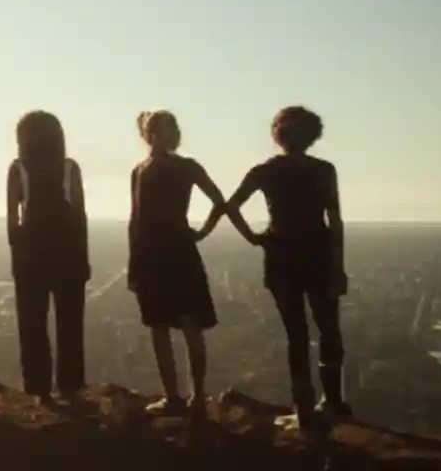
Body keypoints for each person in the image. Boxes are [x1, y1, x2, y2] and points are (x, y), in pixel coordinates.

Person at [222, 106, 349, 430]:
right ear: (312, 134)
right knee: (328, 329)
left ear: (277, 134)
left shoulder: (266, 170)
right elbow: (334, 221)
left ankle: (304, 411)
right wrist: (338, 266)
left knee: (297, 335)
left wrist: (254, 237)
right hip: (319, 255)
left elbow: (231, 206)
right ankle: (332, 402)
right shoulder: (324, 170)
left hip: (281, 256)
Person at [128, 110, 247, 415]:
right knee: (165, 324)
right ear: (151, 134)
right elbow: (135, 218)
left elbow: (219, 201)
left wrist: (203, 232)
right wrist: (201, 233)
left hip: (165, 250)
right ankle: (180, 397)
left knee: (180, 324)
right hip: (161, 250)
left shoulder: (158, 169)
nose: (169, 135)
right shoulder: (148, 170)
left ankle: (191, 397)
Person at [7, 111, 89, 406]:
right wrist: (84, 256)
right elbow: (80, 216)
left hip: (30, 253)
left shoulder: (18, 168)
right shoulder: (69, 168)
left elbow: (12, 220)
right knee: (70, 321)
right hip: (68, 252)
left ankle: (39, 387)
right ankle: (70, 385)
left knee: (32, 321)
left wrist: (16, 255)